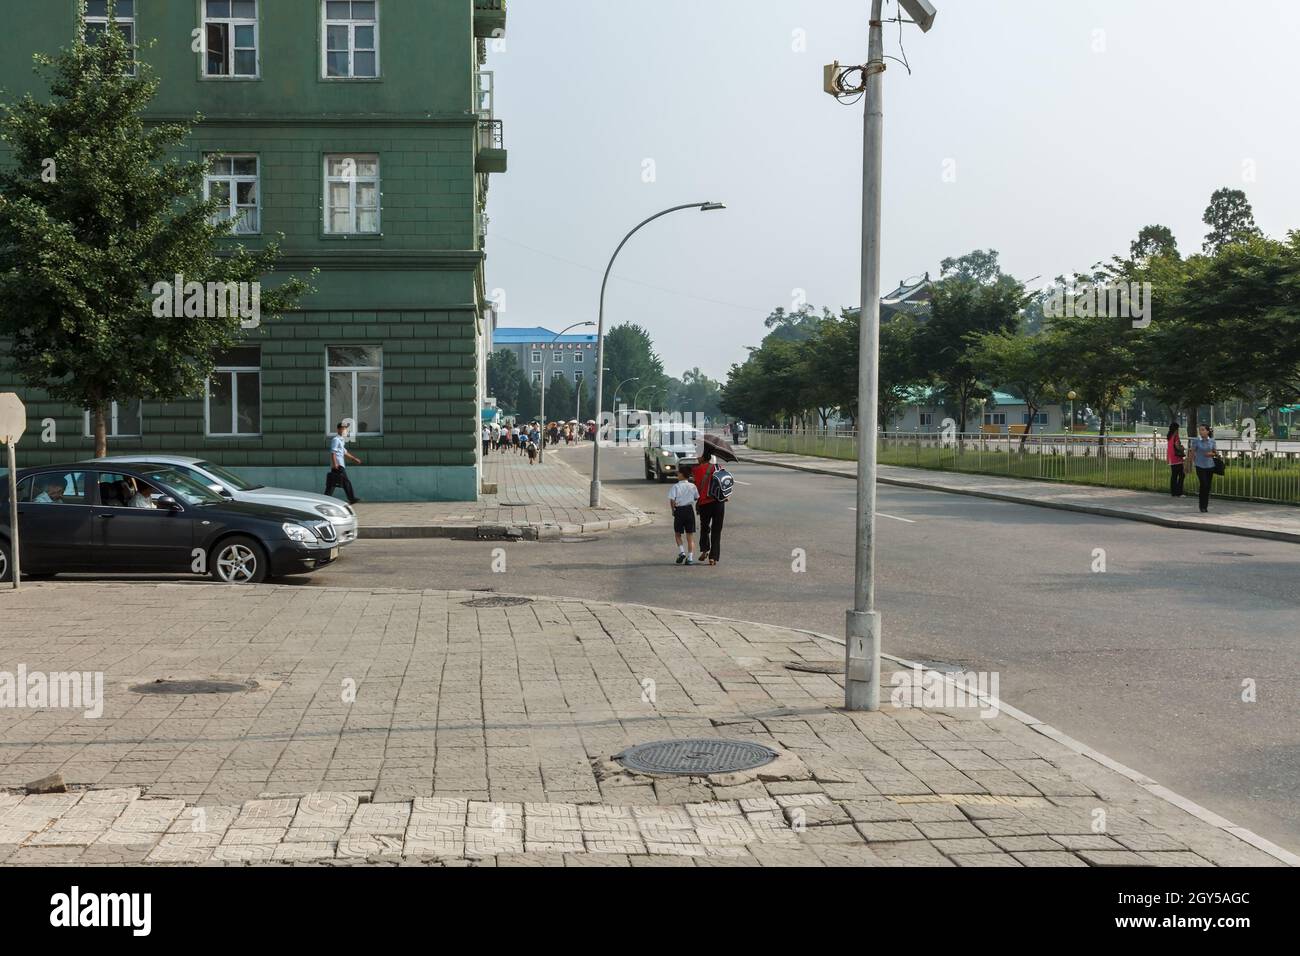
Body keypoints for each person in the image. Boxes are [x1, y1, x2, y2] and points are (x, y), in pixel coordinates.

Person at [692, 454, 726, 566]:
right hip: (719, 503)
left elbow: (696, 488)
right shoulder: (719, 467)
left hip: (705, 503)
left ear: (703, 458)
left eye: (698, 456)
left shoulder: (697, 469)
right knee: (717, 530)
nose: (697, 458)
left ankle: (705, 550)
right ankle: (713, 557)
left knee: (705, 527)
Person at [325, 421, 362, 504]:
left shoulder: (341, 440)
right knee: (346, 481)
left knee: (332, 483)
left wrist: (354, 459)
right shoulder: (336, 440)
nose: (345, 430)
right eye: (343, 428)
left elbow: (345, 452)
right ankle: (351, 498)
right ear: (338, 429)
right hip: (338, 465)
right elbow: (333, 452)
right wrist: (335, 464)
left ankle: (325, 498)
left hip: (338, 465)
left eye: (346, 429)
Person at [668, 469, 699, 564]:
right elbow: (696, 497)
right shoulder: (693, 486)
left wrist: (673, 510)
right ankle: (690, 558)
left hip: (679, 510)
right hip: (689, 510)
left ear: (682, 475)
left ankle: (682, 552)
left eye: (678, 473)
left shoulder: (676, 486)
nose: (677, 475)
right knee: (690, 536)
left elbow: (672, 500)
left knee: (678, 533)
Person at [1189, 423, 1218, 513]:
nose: (1201, 431)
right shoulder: (1196, 441)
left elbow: (1215, 452)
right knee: (1203, 484)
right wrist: (1190, 463)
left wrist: (1211, 454)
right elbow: (1192, 452)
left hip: (1210, 466)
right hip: (1199, 465)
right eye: (1200, 430)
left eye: (1203, 430)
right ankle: (1202, 505)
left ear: (1207, 431)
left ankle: (1205, 506)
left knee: (1207, 486)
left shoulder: (1212, 441)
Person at [1166, 421, 1186, 498]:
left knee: (1174, 475)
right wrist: (1182, 448)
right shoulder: (1176, 436)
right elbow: (1177, 446)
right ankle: (1179, 492)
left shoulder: (1169, 436)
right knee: (1181, 475)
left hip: (1171, 458)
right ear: (1176, 429)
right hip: (1177, 458)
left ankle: (1173, 492)